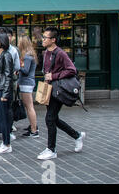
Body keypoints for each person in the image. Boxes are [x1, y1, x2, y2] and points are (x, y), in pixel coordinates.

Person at [37, 26, 86, 160]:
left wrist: (54, 76)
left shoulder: (60, 53)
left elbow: (72, 70)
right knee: (54, 119)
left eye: (45, 38)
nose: (42, 40)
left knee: (50, 118)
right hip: (50, 89)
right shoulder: (45, 52)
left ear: (53, 40)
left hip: (59, 90)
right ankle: (77, 135)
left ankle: (51, 149)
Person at [17, 36, 39, 137]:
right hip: (28, 82)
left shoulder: (27, 56)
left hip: (26, 83)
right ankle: (33, 126)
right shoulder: (31, 55)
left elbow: (25, 70)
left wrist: (18, 66)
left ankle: (34, 130)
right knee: (29, 106)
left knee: (29, 107)